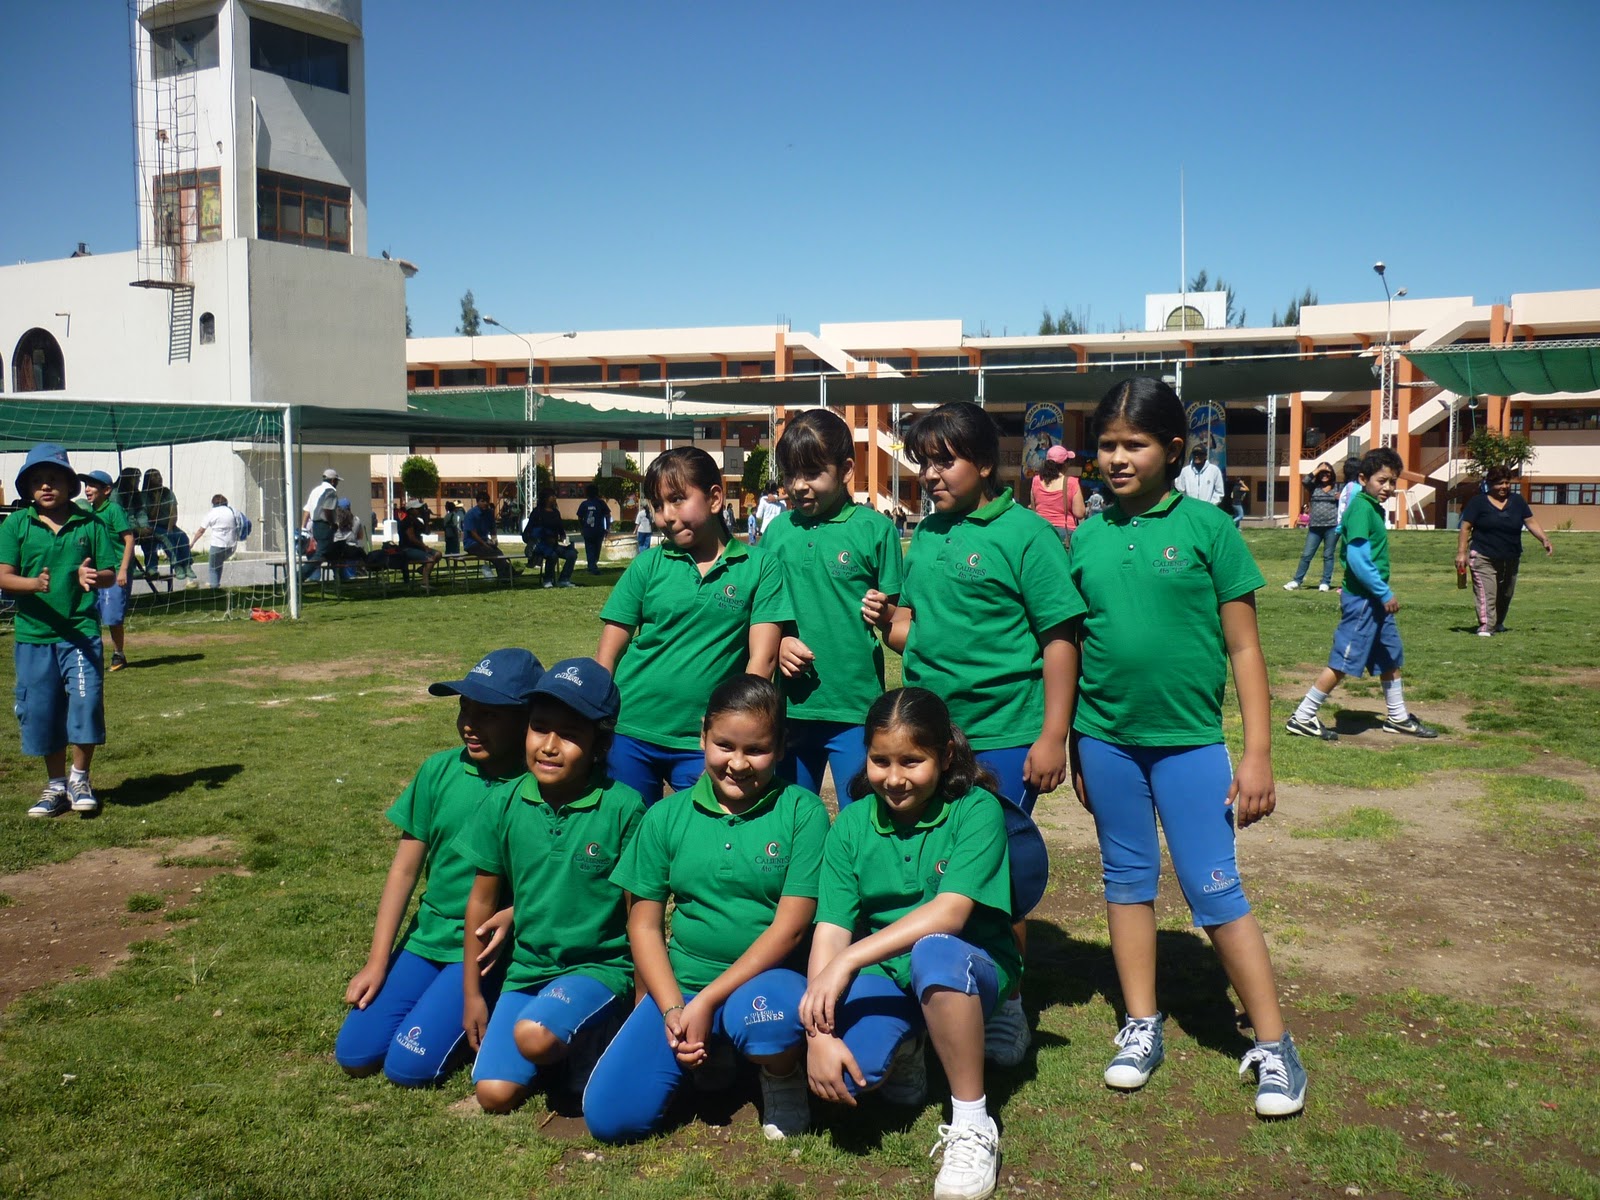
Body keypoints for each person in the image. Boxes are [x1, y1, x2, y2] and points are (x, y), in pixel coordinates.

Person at [1068, 377, 1306, 1119]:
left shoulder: (1211, 531)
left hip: (1189, 747)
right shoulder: (1087, 536)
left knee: (1213, 889)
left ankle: (1274, 1044)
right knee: (1126, 879)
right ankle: (1141, 1024)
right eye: (1106, 444)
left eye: (1133, 444)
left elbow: (1244, 650)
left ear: (1173, 450)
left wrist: (1258, 753)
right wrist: (1076, 743)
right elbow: (1073, 646)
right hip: (1106, 743)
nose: (1116, 457)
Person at [873, 401, 1083, 1069]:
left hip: (1003, 733)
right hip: (934, 737)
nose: (931, 474)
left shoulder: (1026, 535)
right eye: (923, 462)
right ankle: (938, 991)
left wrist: (1053, 736)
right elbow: (917, 631)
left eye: (945, 460)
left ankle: (1007, 1003)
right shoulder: (927, 534)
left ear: (985, 464)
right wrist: (886, 620)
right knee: (931, 863)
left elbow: (1059, 637)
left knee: (995, 876)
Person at [585, 675, 828, 1143]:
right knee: (610, 1117)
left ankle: (780, 1075)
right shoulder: (664, 817)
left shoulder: (802, 811)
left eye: (755, 749)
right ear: (702, 736)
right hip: (685, 984)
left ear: (780, 747)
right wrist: (674, 1006)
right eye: (724, 745)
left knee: (771, 1023)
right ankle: (710, 1051)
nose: (737, 763)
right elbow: (645, 925)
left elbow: (792, 929)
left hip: (768, 979)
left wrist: (709, 1001)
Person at [801, 688, 1018, 1200]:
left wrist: (851, 958)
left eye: (912, 761)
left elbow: (951, 913)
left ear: (945, 756)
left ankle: (972, 1124)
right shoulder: (852, 823)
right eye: (880, 761)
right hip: (887, 971)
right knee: (851, 1077)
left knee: (935, 951)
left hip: (967, 965)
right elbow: (831, 928)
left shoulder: (976, 809)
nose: (894, 778)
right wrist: (817, 1034)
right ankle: (911, 1044)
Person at [335, 648, 541, 1086]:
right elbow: (404, 872)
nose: (470, 723)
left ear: (527, 718)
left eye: (489, 714)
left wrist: (516, 913)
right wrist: (377, 962)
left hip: (483, 950)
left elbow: (551, 881)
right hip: (427, 936)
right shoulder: (438, 771)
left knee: (409, 1067)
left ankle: (497, 999)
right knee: (354, 1053)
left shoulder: (536, 787)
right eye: (466, 708)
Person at [457, 658, 646, 1113]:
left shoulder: (624, 808)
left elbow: (641, 916)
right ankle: (562, 1037)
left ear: (600, 746)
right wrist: (472, 996)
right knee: (493, 1093)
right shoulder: (504, 801)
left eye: (571, 734)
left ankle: (599, 1031)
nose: (550, 746)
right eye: (539, 729)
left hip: (598, 970)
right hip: (527, 971)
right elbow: (481, 902)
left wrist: (644, 1006)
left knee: (537, 1035)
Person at [597, 447, 791, 806]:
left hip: (705, 742)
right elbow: (609, 653)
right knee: (630, 833)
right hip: (631, 728)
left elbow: (761, 663)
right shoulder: (648, 565)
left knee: (711, 832)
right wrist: (595, 719)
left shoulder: (760, 567)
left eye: (677, 500)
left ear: (715, 498)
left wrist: (732, 737)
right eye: (657, 505)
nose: (665, 516)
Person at [763, 408, 904, 802]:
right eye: (791, 474)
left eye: (812, 473)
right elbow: (759, 615)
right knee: (792, 820)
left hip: (855, 709)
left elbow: (900, 620)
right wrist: (778, 644)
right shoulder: (776, 533)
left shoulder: (876, 531)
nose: (799, 486)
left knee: (860, 820)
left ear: (845, 469)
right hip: (790, 710)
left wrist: (887, 613)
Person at [0, 444, 121, 818]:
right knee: (42, 710)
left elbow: (110, 573)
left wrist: (94, 577)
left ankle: (79, 779)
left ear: (69, 484)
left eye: (53, 478)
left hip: (80, 634)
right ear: (27, 488)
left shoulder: (92, 524)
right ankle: (54, 786)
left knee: (84, 703)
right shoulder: (16, 524)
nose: (46, 486)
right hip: (34, 636)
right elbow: (3, 577)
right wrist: (34, 584)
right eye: (37, 480)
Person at [1286, 446, 1438, 742]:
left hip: (1375, 601)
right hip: (1364, 600)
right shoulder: (1360, 508)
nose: (1388, 488)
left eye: (1393, 482)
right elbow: (1357, 559)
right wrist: (1383, 592)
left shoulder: (1371, 508)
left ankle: (1397, 717)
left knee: (1390, 657)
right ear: (1363, 478)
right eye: (1382, 480)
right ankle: (1303, 716)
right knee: (1344, 661)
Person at [1455, 467, 1554, 637]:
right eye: (1500, 483)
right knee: (1487, 592)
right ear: (1490, 484)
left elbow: (1530, 521)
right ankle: (1486, 626)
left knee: (1505, 593)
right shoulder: (1478, 502)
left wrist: (1544, 539)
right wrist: (1461, 552)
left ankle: (1497, 622)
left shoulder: (1517, 501)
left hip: (1511, 557)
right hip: (1483, 556)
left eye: (1507, 482)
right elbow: (1465, 528)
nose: (1504, 486)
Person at [79, 470, 135, 670]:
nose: (87, 489)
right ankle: (92, 654)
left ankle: (119, 654)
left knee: (112, 616)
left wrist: (123, 570)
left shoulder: (114, 510)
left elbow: (129, 540)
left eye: (92, 485)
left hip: (116, 570)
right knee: (92, 612)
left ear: (107, 490)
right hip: (99, 571)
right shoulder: (91, 514)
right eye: (86, 485)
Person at [1284, 463, 1340, 592]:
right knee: (1306, 555)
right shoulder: (1313, 487)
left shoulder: (1337, 488)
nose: (1324, 475)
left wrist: (1340, 497)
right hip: (1315, 527)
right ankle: (1297, 580)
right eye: (1322, 473)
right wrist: (1319, 468)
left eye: (1327, 473)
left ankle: (1325, 582)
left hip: (1332, 527)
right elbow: (1305, 480)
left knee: (1328, 555)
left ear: (1332, 474)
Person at [1027, 444, 1085, 549]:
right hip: (1064, 533)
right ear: (1065, 464)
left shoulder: (1036, 480)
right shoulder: (1071, 482)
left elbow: (1033, 506)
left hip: (1041, 531)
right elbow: (1079, 513)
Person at [524, 494, 578, 589]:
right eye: (551, 495)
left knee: (572, 554)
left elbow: (560, 527)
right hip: (541, 545)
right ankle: (547, 580)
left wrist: (562, 536)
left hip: (553, 544)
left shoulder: (555, 512)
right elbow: (529, 530)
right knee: (552, 556)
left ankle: (564, 579)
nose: (554, 498)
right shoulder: (538, 512)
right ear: (545, 498)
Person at [190, 493, 240, 589]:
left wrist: (193, 543)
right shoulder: (232, 511)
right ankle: (216, 584)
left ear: (213, 503)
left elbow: (201, 530)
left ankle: (214, 588)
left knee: (213, 567)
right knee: (219, 564)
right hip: (231, 546)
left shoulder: (212, 513)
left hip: (217, 544)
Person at [462, 492, 513, 583]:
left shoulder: (489, 513)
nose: (485, 503)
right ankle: (505, 576)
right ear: (477, 502)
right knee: (493, 554)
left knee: (499, 553)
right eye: (482, 501)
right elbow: (473, 533)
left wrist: (494, 538)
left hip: (485, 542)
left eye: (487, 501)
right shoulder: (471, 514)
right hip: (472, 544)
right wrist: (484, 544)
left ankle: (506, 575)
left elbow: (492, 528)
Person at [301, 467, 340, 582]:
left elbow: (307, 509)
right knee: (320, 555)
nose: (337, 483)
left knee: (330, 552)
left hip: (315, 525)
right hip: (325, 525)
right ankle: (299, 576)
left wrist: (303, 527)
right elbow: (327, 510)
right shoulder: (331, 491)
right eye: (337, 481)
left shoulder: (315, 491)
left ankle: (339, 577)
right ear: (333, 481)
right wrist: (332, 523)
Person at [396, 500, 442, 590]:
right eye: (418, 509)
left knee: (438, 554)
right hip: (407, 549)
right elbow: (411, 538)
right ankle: (425, 583)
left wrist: (426, 520)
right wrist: (424, 547)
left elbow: (427, 532)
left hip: (418, 548)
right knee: (429, 559)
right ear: (411, 510)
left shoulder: (417, 521)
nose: (420, 510)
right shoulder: (407, 521)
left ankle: (422, 570)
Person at [576, 484, 612, 574]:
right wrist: (607, 528)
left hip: (588, 530)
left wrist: (582, 528)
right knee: (597, 548)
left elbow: (579, 517)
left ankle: (591, 565)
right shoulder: (601, 503)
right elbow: (608, 515)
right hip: (598, 530)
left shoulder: (584, 504)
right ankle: (593, 565)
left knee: (589, 549)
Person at [329, 498, 368, 579]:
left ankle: (338, 576)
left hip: (337, 552)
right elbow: (360, 536)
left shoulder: (334, 521)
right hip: (352, 553)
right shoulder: (356, 519)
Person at [1334, 455, 1362, 527]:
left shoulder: (1352, 486)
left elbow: (1349, 506)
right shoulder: (1356, 485)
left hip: (1350, 524)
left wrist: (1342, 524)